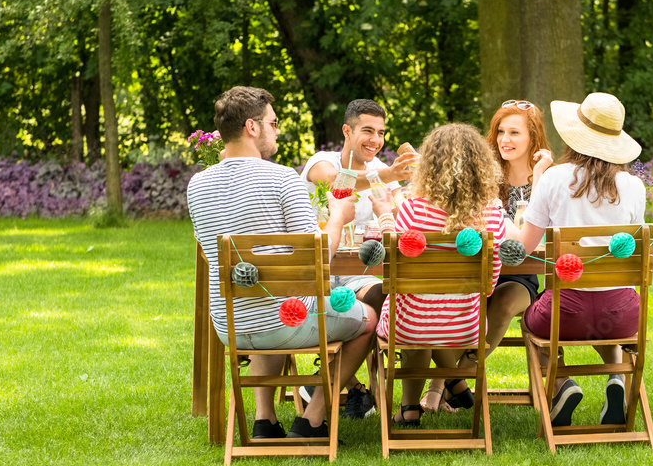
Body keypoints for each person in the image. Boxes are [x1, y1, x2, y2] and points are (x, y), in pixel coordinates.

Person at [187, 86, 377, 440]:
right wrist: (337, 216)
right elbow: (317, 257)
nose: (277, 130)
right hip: (286, 321)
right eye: (273, 123)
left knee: (265, 302)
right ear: (252, 127)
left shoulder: (197, 185)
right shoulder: (282, 178)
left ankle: (265, 420)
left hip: (229, 326)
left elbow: (207, 249)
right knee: (368, 318)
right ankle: (313, 420)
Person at [509, 92, 646, 427]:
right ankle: (617, 380)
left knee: (529, 320)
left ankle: (562, 383)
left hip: (565, 315)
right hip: (623, 315)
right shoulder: (633, 185)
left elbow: (526, 245)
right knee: (603, 315)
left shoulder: (555, 178)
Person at [421, 99, 555, 413]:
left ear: (533, 138)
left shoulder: (548, 177)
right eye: (499, 132)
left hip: (520, 274)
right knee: (450, 304)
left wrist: (540, 174)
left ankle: (452, 379)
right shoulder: (484, 175)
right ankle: (453, 386)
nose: (504, 139)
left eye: (514, 133)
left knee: (505, 303)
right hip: (473, 271)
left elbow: (539, 234)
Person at [373, 123, 510, 426]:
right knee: (436, 314)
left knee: (417, 317)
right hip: (467, 328)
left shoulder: (413, 210)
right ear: (481, 165)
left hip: (409, 327)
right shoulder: (491, 213)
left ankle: (409, 408)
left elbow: (392, 267)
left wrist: (384, 213)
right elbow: (490, 283)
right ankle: (456, 383)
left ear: (430, 165)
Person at [301, 99, 417, 314]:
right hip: (315, 271)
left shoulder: (381, 169)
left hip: (357, 273)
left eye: (381, 133)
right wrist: (388, 174)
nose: (375, 140)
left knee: (384, 296)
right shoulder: (322, 161)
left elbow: (405, 211)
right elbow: (336, 181)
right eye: (368, 131)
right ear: (347, 131)